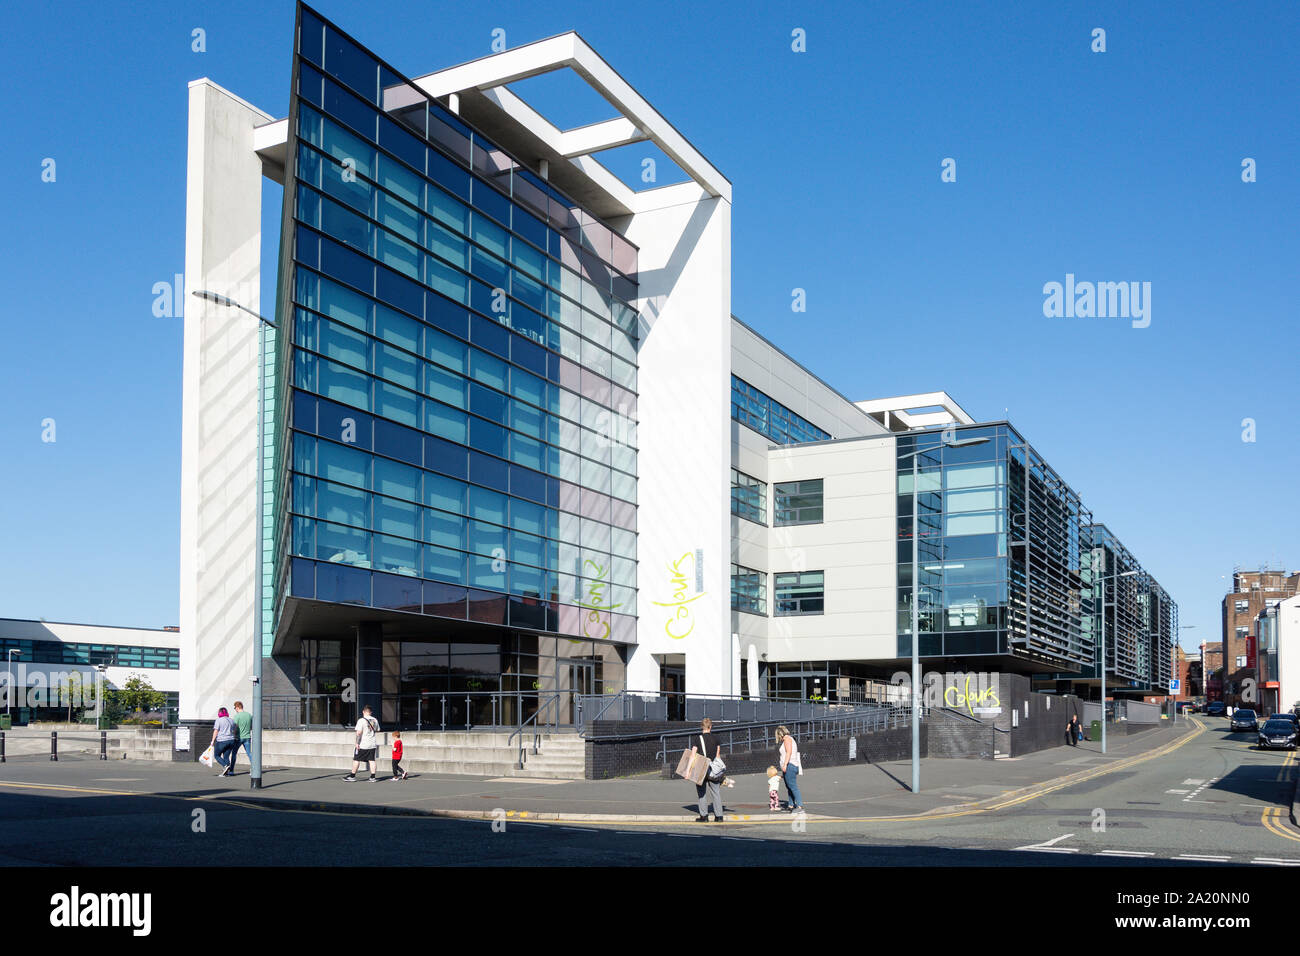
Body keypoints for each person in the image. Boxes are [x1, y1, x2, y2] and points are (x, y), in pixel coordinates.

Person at [688, 717, 725, 822]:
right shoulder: (716, 739)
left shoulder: (697, 739)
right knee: (716, 793)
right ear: (711, 726)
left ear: (701, 727)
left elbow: (692, 756)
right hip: (713, 769)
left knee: (702, 793)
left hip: (701, 769)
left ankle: (704, 816)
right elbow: (718, 756)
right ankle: (719, 816)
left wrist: (688, 771)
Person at [344, 705, 381, 782]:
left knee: (356, 759)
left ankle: (352, 776)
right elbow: (377, 730)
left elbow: (358, 733)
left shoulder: (361, 720)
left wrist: (357, 743)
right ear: (370, 712)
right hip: (372, 743)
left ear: (363, 712)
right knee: (372, 760)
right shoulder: (375, 720)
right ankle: (373, 777)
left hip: (363, 744)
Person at [774, 725, 804, 812]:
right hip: (790, 765)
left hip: (790, 765)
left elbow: (789, 752)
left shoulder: (787, 739)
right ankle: (791, 805)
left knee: (793, 787)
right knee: (789, 786)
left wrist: (785, 765)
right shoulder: (788, 739)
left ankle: (799, 806)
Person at [209, 707, 240, 778]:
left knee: (217, 755)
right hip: (231, 740)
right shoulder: (231, 720)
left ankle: (225, 766)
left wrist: (212, 740)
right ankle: (227, 772)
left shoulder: (218, 720)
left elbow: (216, 731)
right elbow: (235, 728)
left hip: (222, 741)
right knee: (226, 756)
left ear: (219, 713)